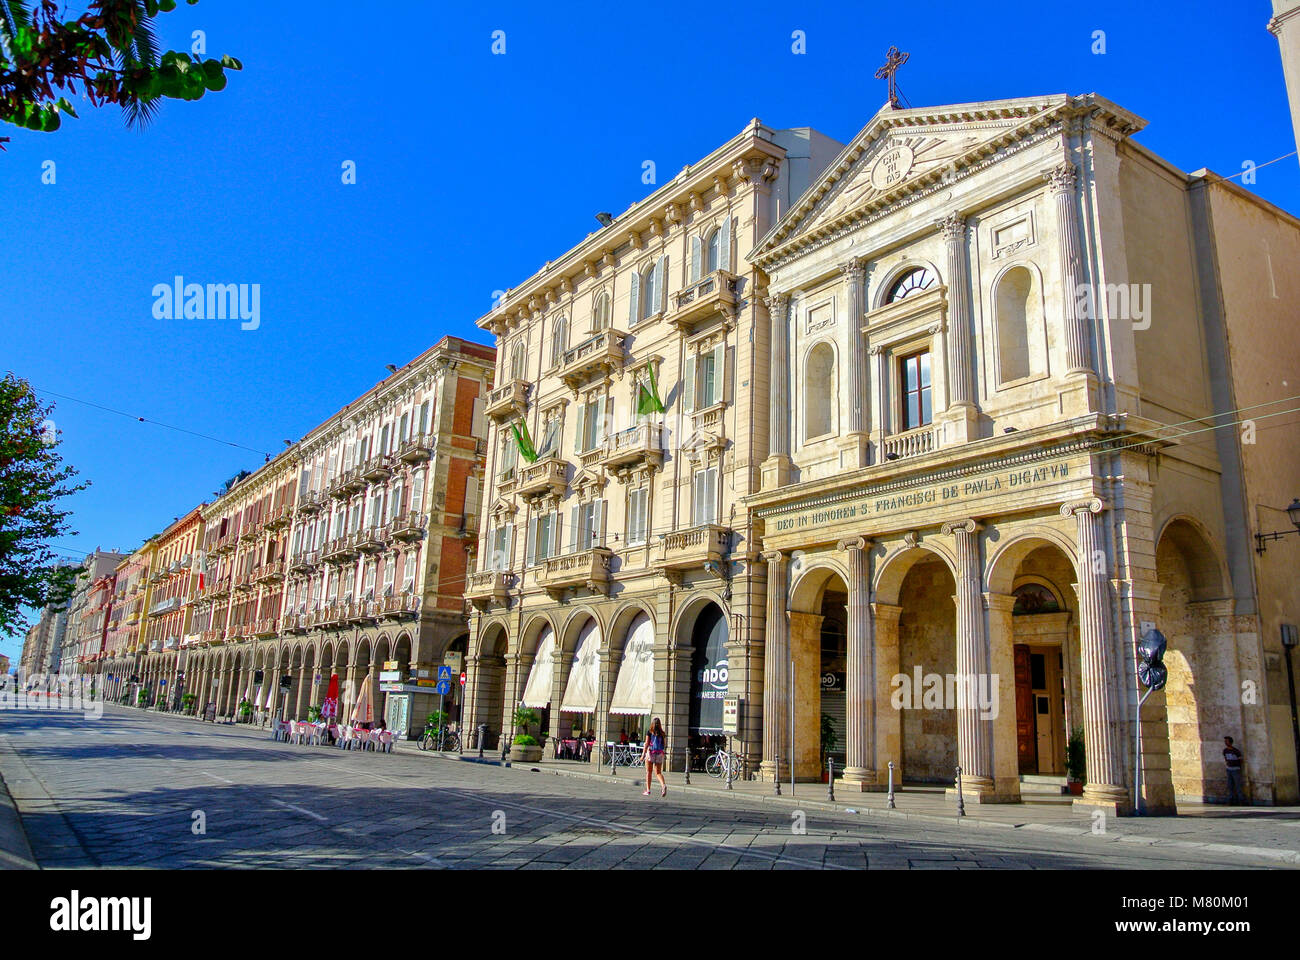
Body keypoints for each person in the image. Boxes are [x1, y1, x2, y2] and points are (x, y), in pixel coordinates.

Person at [642, 717, 667, 798]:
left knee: (648, 772)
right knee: (658, 772)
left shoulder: (649, 732)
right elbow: (664, 745)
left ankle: (648, 790)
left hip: (651, 753)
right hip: (659, 753)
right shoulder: (662, 733)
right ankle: (663, 785)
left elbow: (646, 743)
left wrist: (643, 754)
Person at [1223, 735, 1245, 804]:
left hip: (1235, 769)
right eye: (1225, 741)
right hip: (1229, 769)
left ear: (1230, 742)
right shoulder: (1225, 750)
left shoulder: (1236, 751)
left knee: (1238, 785)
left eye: (1227, 741)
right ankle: (1231, 798)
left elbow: (1240, 760)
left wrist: (1237, 766)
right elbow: (1225, 758)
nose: (1225, 742)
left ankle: (1241, 799)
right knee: (1230, 785)